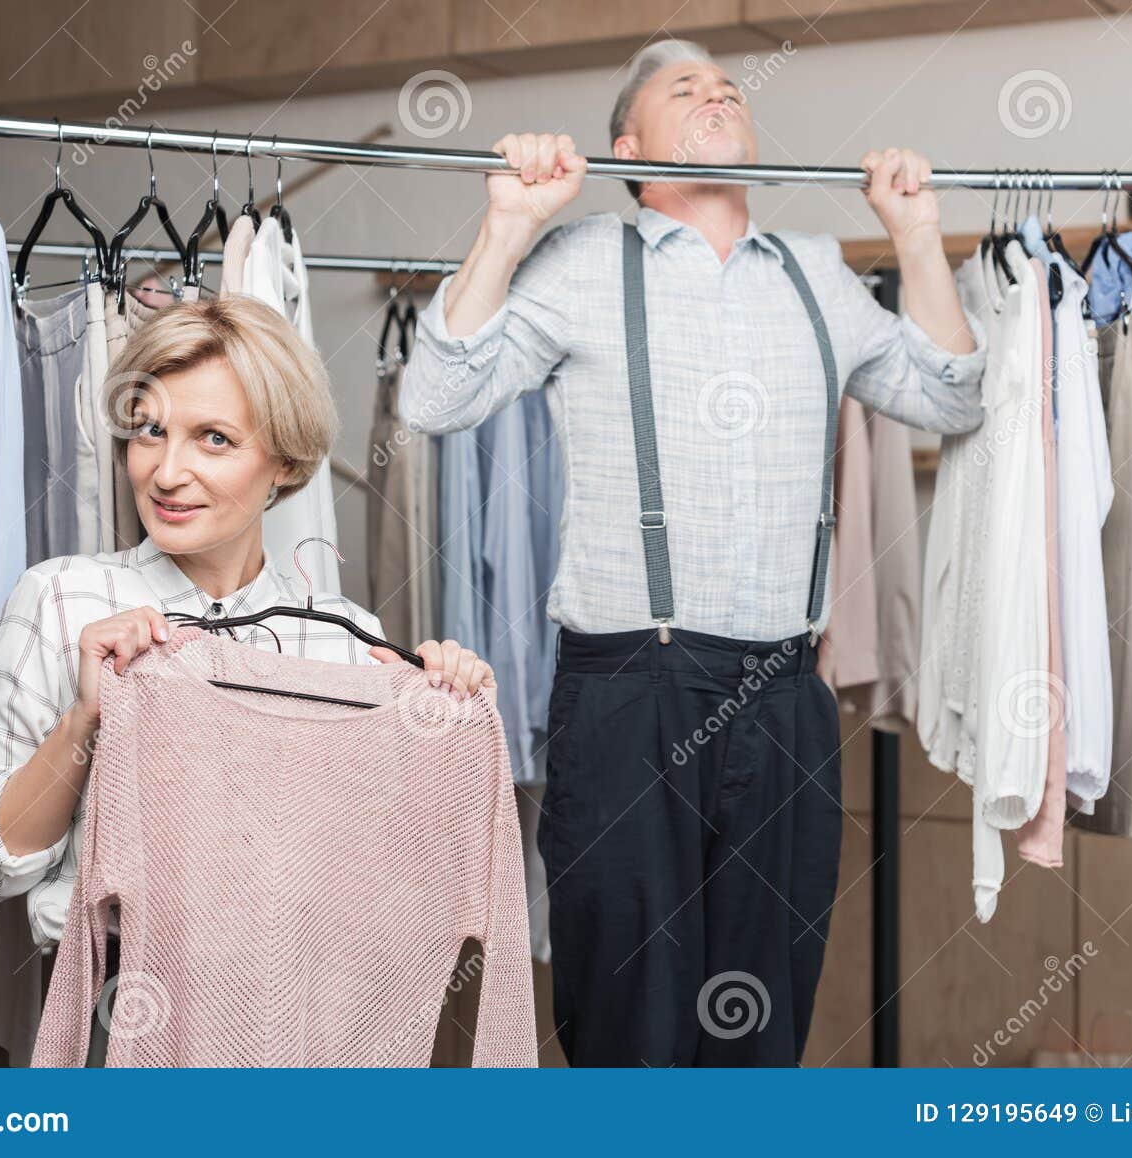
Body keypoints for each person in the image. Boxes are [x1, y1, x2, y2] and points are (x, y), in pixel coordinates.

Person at [399, 38, 987, 1066]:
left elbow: (949, 395)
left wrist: (918, 236)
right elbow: (436, 398)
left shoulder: (813, 271)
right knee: (630, 1019)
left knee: (761, 1020)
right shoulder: (581, 262)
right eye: (685, 89)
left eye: (727, 88)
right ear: (627, 145)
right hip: (632, 689)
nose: (717, 95)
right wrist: (506, 226)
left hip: (783, 697)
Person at [0, 293, 495, 956]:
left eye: (214, 439)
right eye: (150, 431)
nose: (167, 473)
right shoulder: (62, 599)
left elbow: (397, 889)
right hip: (113, 1020)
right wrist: (82, 722)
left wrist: (435, 726)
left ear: (285, 462)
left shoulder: (343, 640)